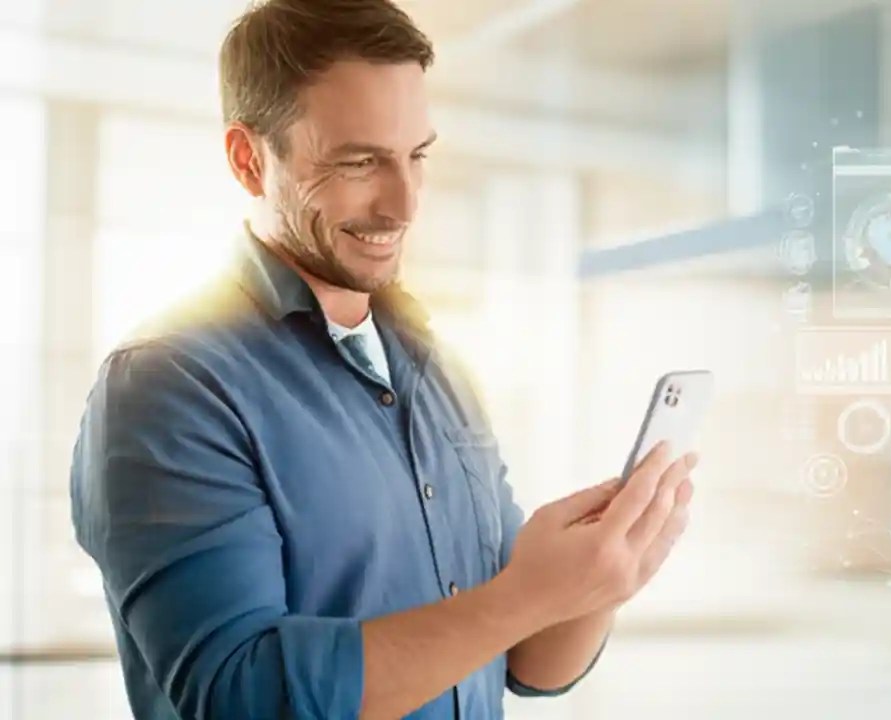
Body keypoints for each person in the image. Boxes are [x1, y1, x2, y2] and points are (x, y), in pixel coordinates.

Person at [68, 1, 698, 718]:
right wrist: (524, 596)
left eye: (416, 156)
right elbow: (240, 695)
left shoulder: (438, 370)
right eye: (360, 162)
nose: (403, 204)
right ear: (249, 160)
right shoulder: (169, 385)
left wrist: (600, 579)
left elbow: (525, 661)